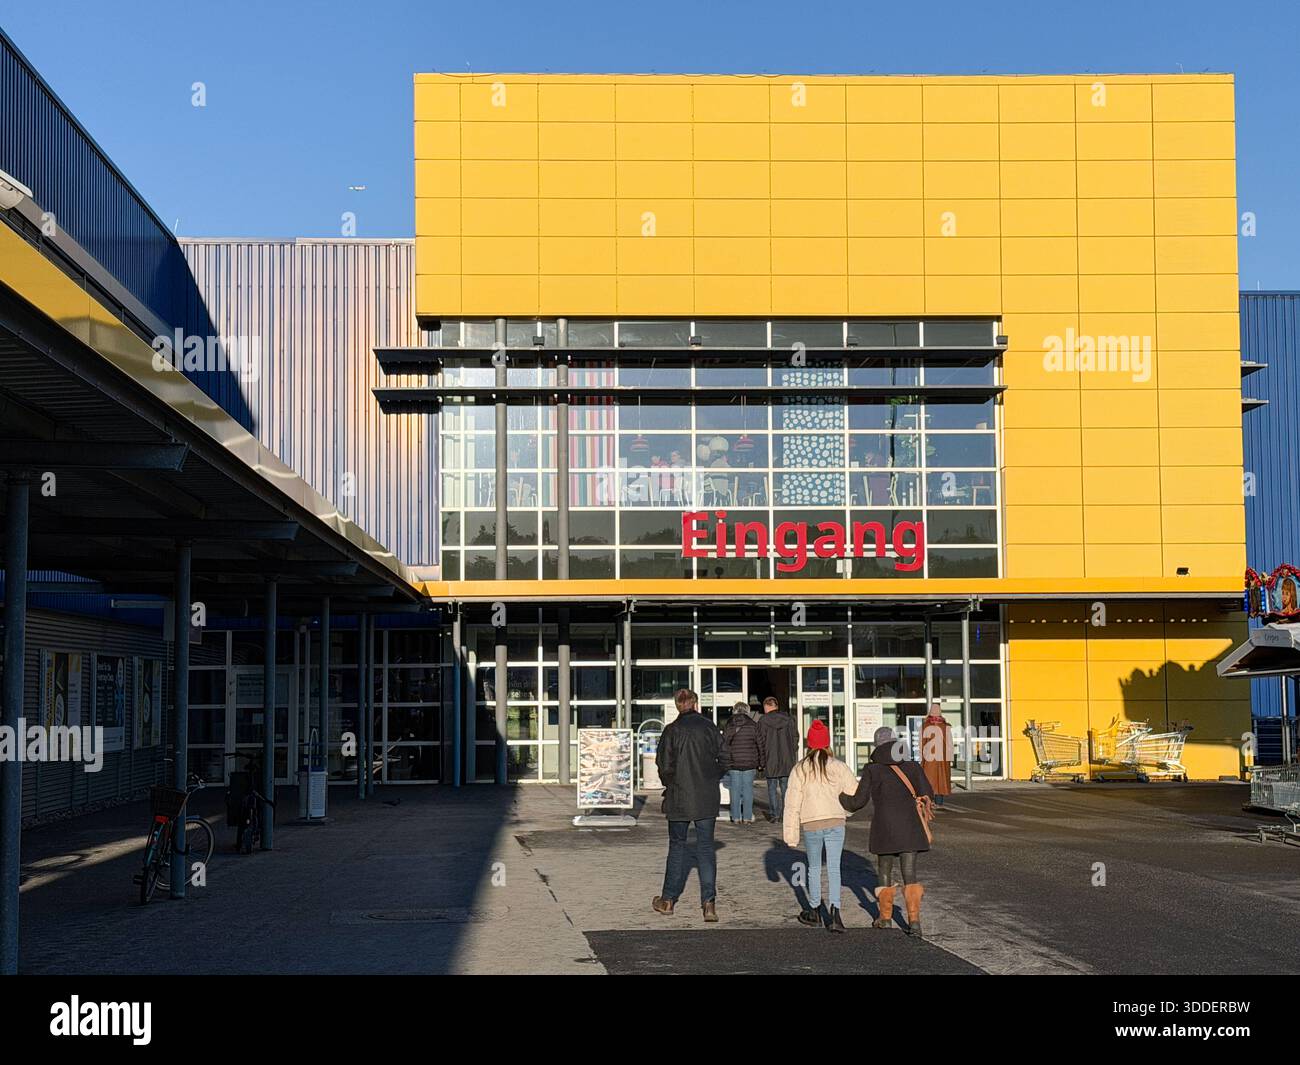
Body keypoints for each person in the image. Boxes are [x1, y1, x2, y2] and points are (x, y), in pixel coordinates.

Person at [841, 726, 936, 938]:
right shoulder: (912, 766)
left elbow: (858, 802)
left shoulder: (872, 769)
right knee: (909, 873)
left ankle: (885, 918)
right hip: (910, 827)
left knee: (884, 869)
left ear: (876, 746)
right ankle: (914, 922)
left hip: (884, 828)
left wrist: (840, 796)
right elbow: (927, 793)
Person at [653, 688, 725, 922]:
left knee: (677, 846)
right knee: (706, 848)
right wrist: (712, 776)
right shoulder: (709, 728)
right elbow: (726, 757)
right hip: (706, 795)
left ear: (677, 705)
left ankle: (668, 900)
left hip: (679, 796)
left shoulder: (671, 730)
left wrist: (671, 783)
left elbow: (663, 765)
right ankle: (709, 903)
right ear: (695, 703)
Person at [782, 720, 860, 933]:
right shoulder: (839, 766)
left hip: (811, 822)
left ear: (809, 744)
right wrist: (846, 812)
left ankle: (815, 910)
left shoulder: (800, 769)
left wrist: (791, 836)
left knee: (814, 867)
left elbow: (792, 804)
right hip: (835, 821)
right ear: (827, 743)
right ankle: (835, 914)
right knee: (834, 868)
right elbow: (854, 793)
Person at [721, 700, 764, 824]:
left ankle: (736, 817)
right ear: (747, 711)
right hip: (750, 762)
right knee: (748, 790)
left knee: (735, 790)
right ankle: (747, 817)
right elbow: (760, 745)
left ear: (734, 711)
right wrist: (761, 763)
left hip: (733, 762)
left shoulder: (729, 725)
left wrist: (724, 761)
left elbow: (724, 744)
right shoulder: (753, 725)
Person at [757, 695, 798, 822]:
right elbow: (795, 737)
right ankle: (785, 815)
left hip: (770, 759)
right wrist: (791, 751)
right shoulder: (789, 719)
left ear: (767, 707)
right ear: (776, 706)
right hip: (787, 759)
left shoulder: (763, 721)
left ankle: (774, 814)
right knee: (785, 789)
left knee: (772, 788)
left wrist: (761, 760)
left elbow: (760, 742)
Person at [920, 702, 953, 806]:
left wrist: (921, 756)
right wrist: (950, 758)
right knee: (941, 780)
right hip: (942, 758)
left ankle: (929, 801)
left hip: (929, 759)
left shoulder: (925, 725)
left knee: (929, 779)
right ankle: (939, 802)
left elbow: (921, 743)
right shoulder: (945, 726)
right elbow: (949, 744)